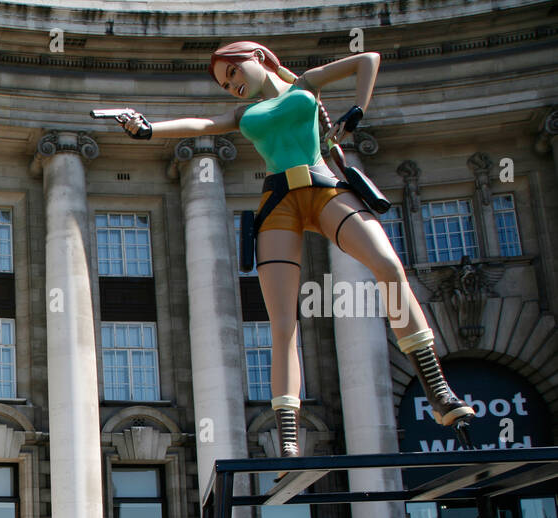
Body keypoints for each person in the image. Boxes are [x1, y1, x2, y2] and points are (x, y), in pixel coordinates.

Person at [108, 42, 474, 457]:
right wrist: (148, 129)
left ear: (258, 58)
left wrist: (357, 110)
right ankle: (288, 442)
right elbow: (202, 123)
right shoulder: (243, 115)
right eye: (225, 84)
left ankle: (439, 392)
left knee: (388, 265)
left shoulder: (305, 83)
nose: (232, 87)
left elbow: (367, 60)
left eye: (233, 73)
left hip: (324, 190)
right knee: (283, 324)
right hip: (278, 203)